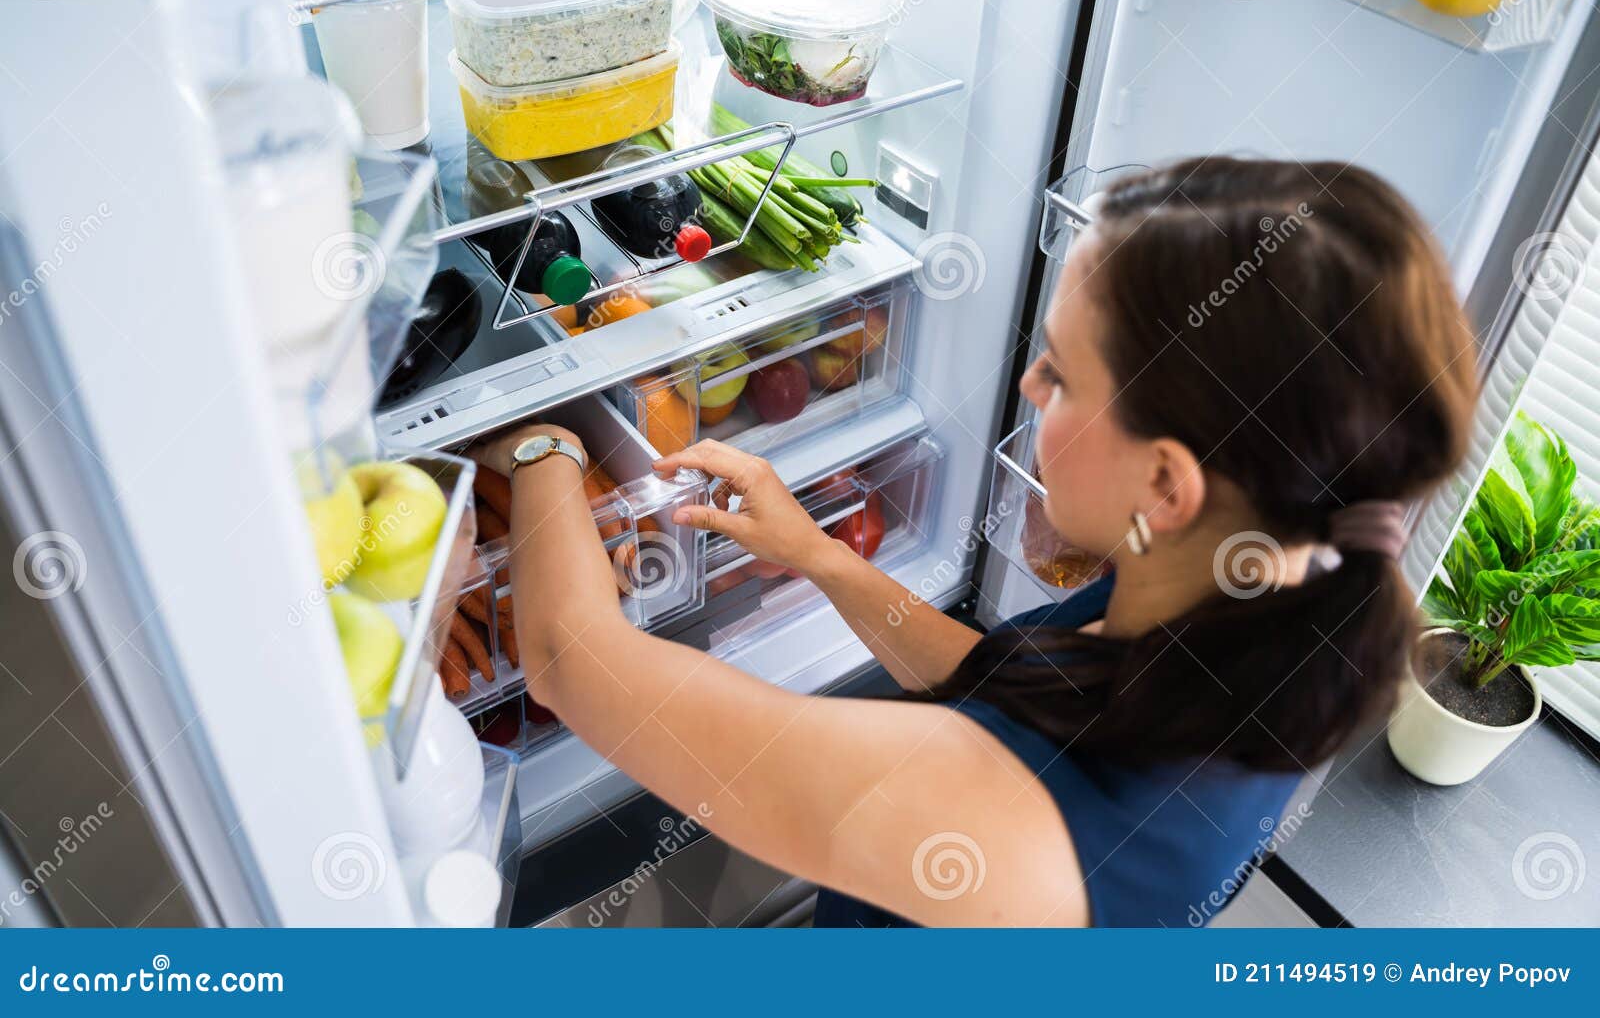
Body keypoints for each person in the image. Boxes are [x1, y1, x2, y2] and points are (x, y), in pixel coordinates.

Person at [471, 157, 1478, 927]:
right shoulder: (1283, 612)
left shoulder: (988, 822)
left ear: (1167, 481)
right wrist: (824, 557)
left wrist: (541, 426)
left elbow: (567, 655)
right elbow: (1008, 683)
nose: (1030, 389)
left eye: (1062, 374)